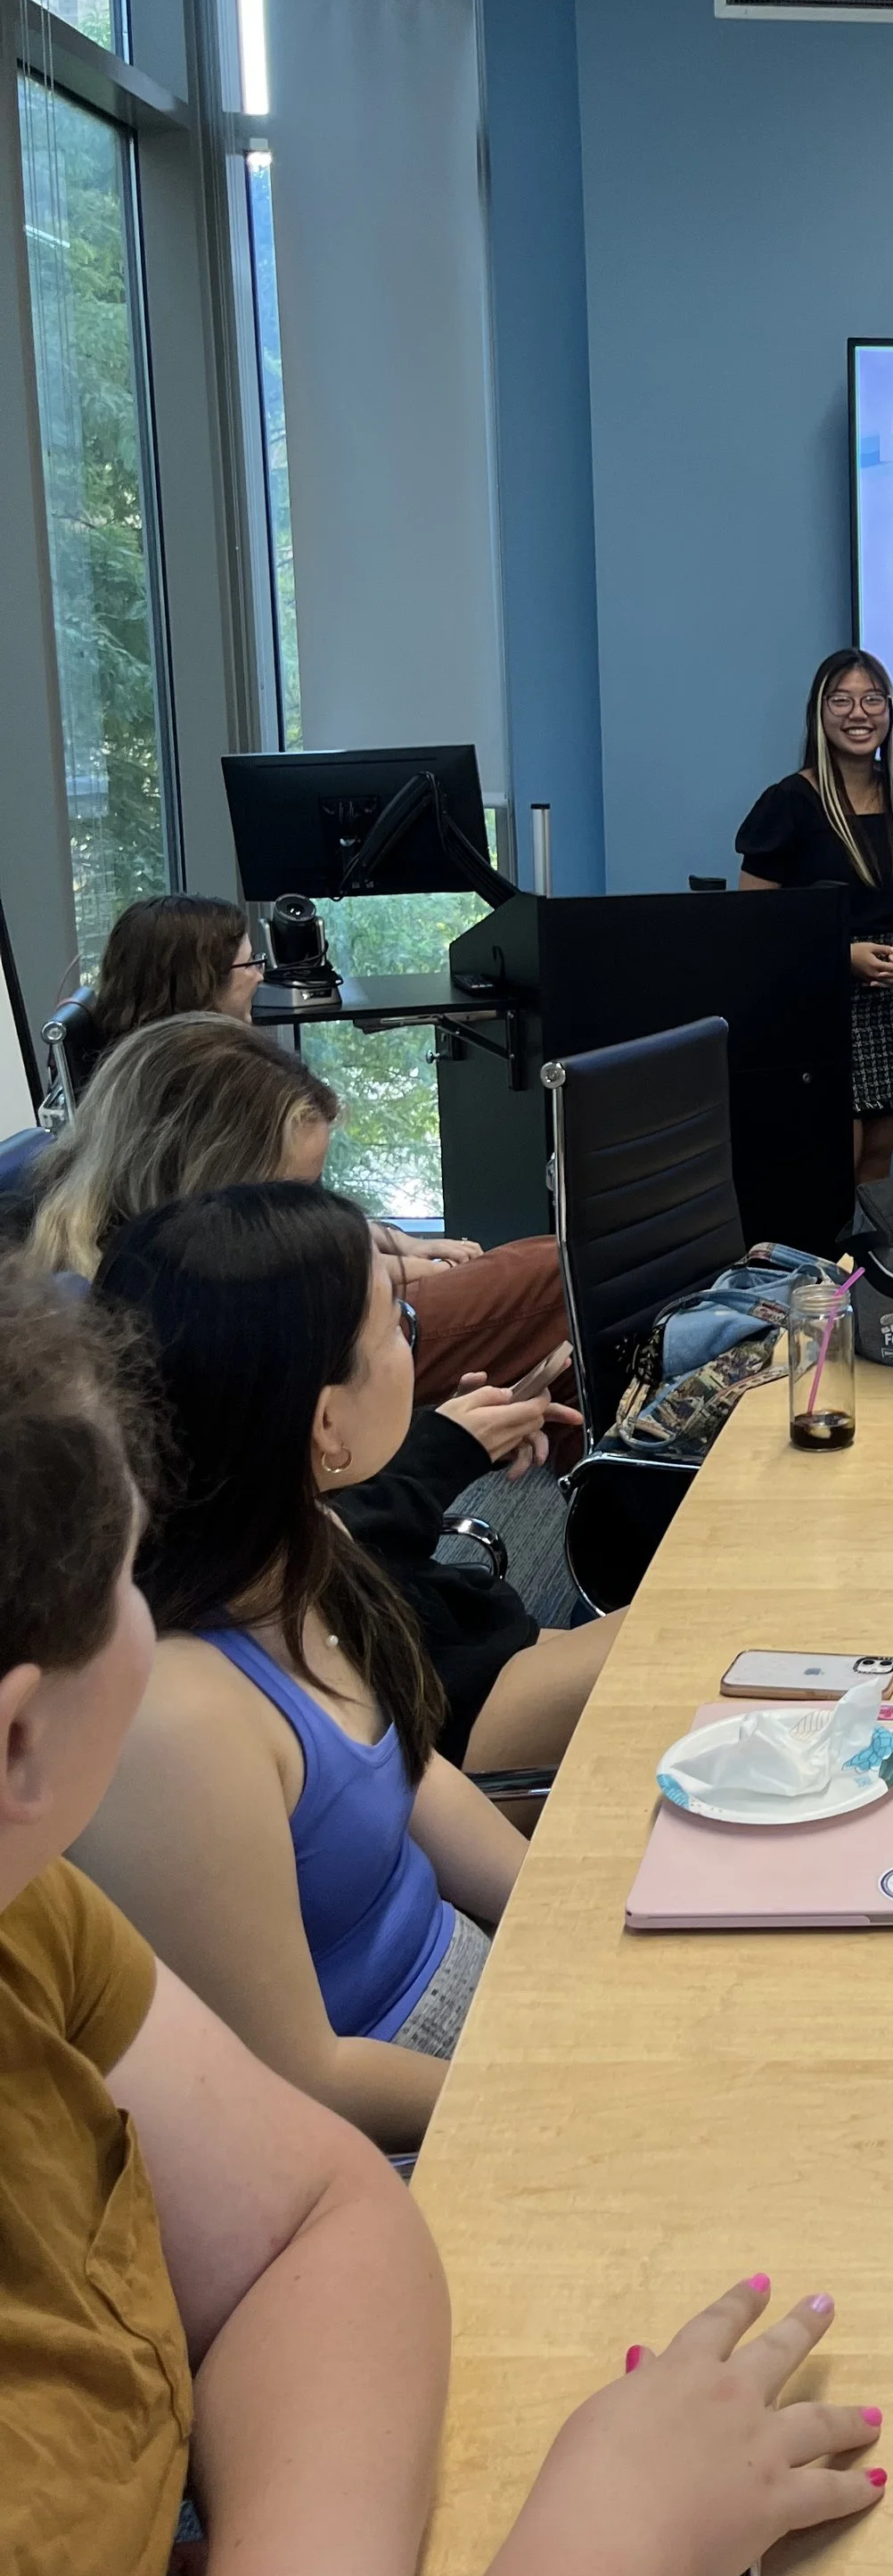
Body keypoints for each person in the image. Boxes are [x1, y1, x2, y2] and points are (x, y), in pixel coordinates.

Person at [0, 1259, 887, 2576]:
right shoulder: (182, 1726)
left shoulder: (38, 1910)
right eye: (125, 1575)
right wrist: (596, 2545)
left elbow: (308, 2212)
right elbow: (319, 2121)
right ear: (21, 1740)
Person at [78, 1181, 536, 2152]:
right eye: (397, 1325)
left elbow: (411, 1774)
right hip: (379, 2127)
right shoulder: (181, 1716)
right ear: (325, 1423)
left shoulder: (295, 1541)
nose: (414, 1344)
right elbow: (298, 2078)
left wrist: (566, 1920)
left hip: (471, 2016)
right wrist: (536, 2096)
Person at [21, 1008, 577, 1435]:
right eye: (298, 1195)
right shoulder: (186, 1337)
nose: (312, 1214)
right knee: (558, 1277)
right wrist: (444, 1449)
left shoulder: (108, 1242)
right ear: (212, 1180)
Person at [737, 648, 893, 1181]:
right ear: (820, 712)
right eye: (842, 701)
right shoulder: (789, 801)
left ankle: (869, 1265)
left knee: (880, 1153)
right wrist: (841, 955)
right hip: (818, 995)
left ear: (890, 710)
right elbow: (754, 917)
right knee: (835, 1159)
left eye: (872, 700)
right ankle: (825, 1266)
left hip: (892, 995)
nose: (859, 714)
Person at [80, 890, 266, 1059]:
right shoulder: (211, 1078)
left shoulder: (132, 1066)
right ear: (201, 984)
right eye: (250, 963)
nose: (259, 976)